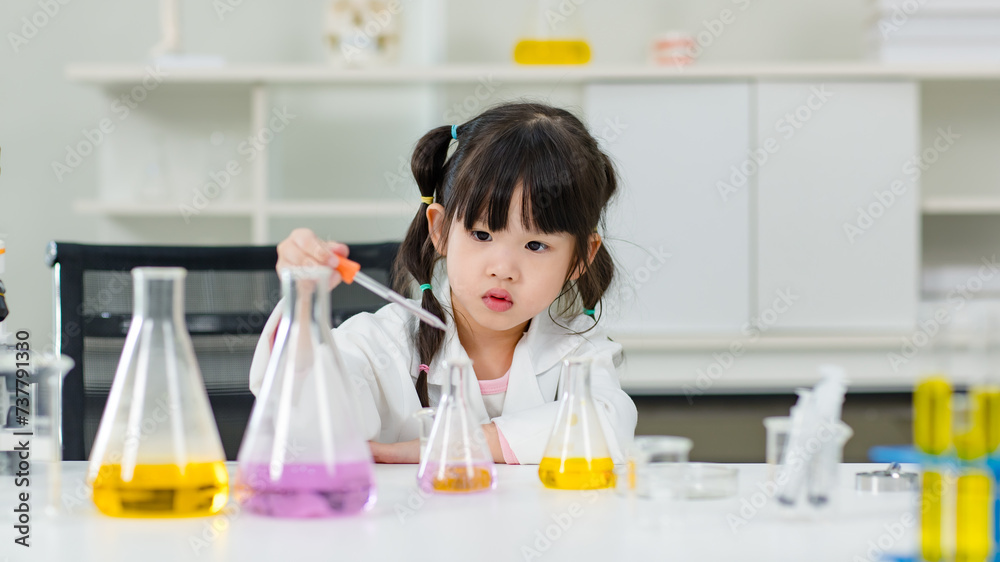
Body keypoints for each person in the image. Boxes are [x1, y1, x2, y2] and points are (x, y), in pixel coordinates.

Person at [249, 102, 637, 465]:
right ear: (440, 230)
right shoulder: (381, 343)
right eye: (482, 235)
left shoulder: (580, 351)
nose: (503, 269)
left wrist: (434, 448)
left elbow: (606, 423)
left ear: (580, 259)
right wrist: (301, 304)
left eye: (536, 244)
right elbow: (306, 410)